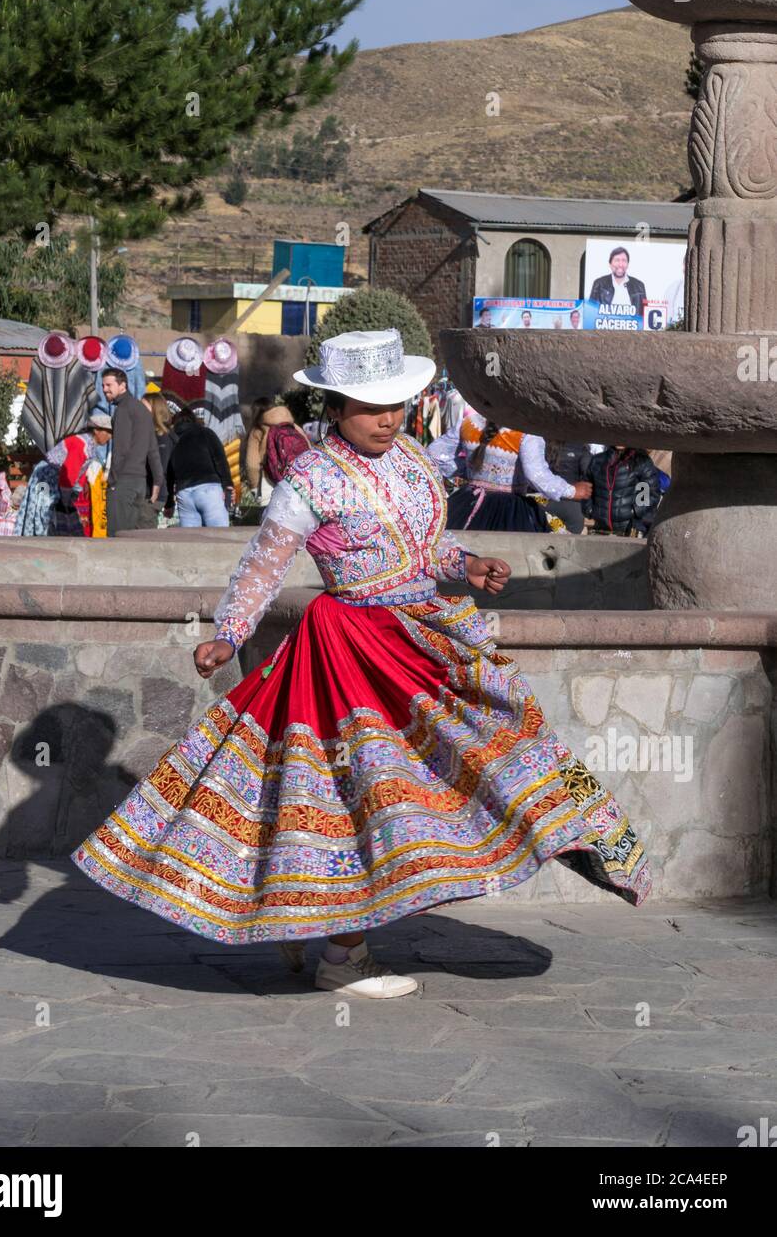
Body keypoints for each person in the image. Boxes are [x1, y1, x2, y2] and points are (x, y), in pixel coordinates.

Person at [72, 328, 651, 1001]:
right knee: (353, 792)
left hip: (422, 640)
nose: (387, 419)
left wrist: (467, 565)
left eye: (396, 405)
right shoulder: (311, 477)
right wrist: (229, 635)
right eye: (370, 407)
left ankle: (312, 915)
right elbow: (265, 564)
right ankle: (342, 953)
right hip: (348, 651)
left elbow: (425, 550)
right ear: (336, 406)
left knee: (505, 737)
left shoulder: (411, 460)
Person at [445, 415, 592, 531]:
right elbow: (535, 474)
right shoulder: (526, 432)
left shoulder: (467, 423)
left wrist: (474, 471)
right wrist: (571, 490)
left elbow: (437, 457)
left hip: (466, 502)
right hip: (509, 509)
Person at [102, 368, 164, 535]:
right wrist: (158, 481)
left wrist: (113, 483)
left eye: (109, 385)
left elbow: (120, 449)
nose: (105, 389)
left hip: (123, 481)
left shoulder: (123, 409)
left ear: (123, 385)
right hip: (140, 483)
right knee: (131, 538)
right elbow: (153, 449)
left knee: (117, 537)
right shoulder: (142, 410)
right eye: (103, 385)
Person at [45, 412, 113, 537]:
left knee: (67, 518)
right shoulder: (81, 445)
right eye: (108, 432)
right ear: (97, 430)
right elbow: (69, 472)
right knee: (49, 520)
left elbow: (81, 471)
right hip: (49, 480)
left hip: (61, 483)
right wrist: (66, 499)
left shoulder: (91, 447)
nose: (110, 436)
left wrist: (75, 493)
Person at [167, 408, 233, 527]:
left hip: (184, 493)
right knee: (220, 538)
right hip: (209, 489)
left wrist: (169, 504)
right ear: (194, 421)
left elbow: (169, 474)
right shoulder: (205, 433)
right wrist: (228, 485)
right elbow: (220, 460)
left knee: (191, 542)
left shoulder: (172, 439)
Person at [585, 445, 663, 537]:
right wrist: (589, 510)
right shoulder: (597, 460)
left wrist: (634, 511)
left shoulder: (641, 462)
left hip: (628, 530)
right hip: (599, 529)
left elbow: (650, 493)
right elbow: (586, 487)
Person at [244, 398, 309, 507]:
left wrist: (255, 486)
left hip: (268, 478)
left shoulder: (258, 429)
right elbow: (307, 446)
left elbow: (252, 463)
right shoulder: (291, 425)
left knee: (270, 517)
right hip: (296, 475)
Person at [589, 247, 647, 314]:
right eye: (617, 260)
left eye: (624, 260)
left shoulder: (639, 286)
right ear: (610, 264)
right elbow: (591, 313)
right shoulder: (599, 284)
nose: (620, 264)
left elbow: (645, 315)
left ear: (628, 264)